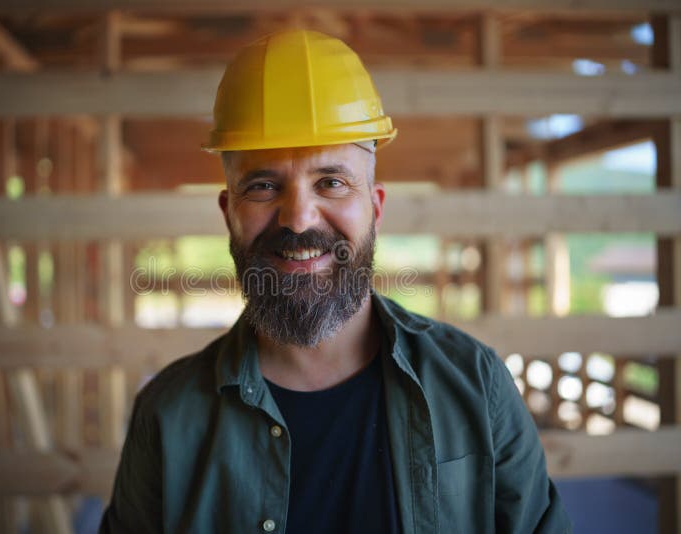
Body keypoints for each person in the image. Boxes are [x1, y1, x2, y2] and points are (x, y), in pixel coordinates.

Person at [100, 29, 571, 534]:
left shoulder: (476, 385)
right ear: (228, 212)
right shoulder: (167, 418)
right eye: (263, 185)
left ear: (375, 208)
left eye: (331, 182)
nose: (298, 218)